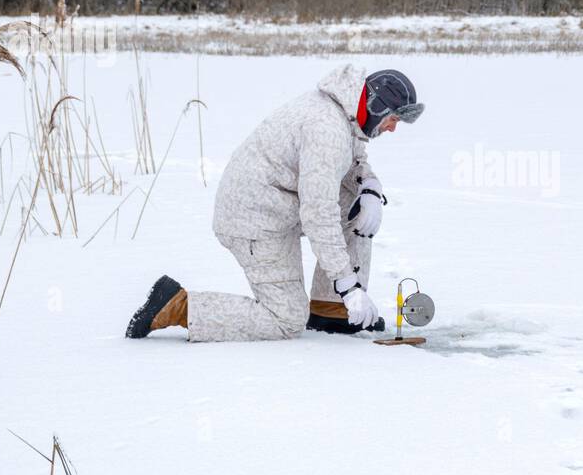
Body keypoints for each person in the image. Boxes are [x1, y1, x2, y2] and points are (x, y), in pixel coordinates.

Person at [125, 66, 423, 342]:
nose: (393, 128)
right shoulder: (326, 131)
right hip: (253, 220)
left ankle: (330, 309)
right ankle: (178, 306)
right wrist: (348, 285)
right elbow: (318, 214)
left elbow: (354, 159)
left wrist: (369, 186)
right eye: (393, 119)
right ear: (375, 107)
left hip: (279, 205)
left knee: (357, 204)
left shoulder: (345, 113)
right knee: (287, 319)